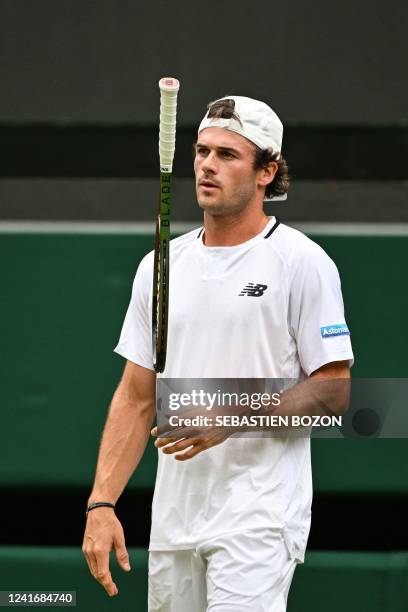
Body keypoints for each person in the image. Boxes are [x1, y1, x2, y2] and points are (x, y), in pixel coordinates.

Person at [83, 95, 354, 611]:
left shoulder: (302, 262)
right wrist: (101, 503)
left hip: (260, 517)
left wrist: (231, 415)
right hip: (174, 519)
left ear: (266, 172)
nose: (207, 164)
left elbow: (334, 390)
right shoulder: (159, 267)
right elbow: (137, 397)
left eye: (228, 155)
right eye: (202, 151)